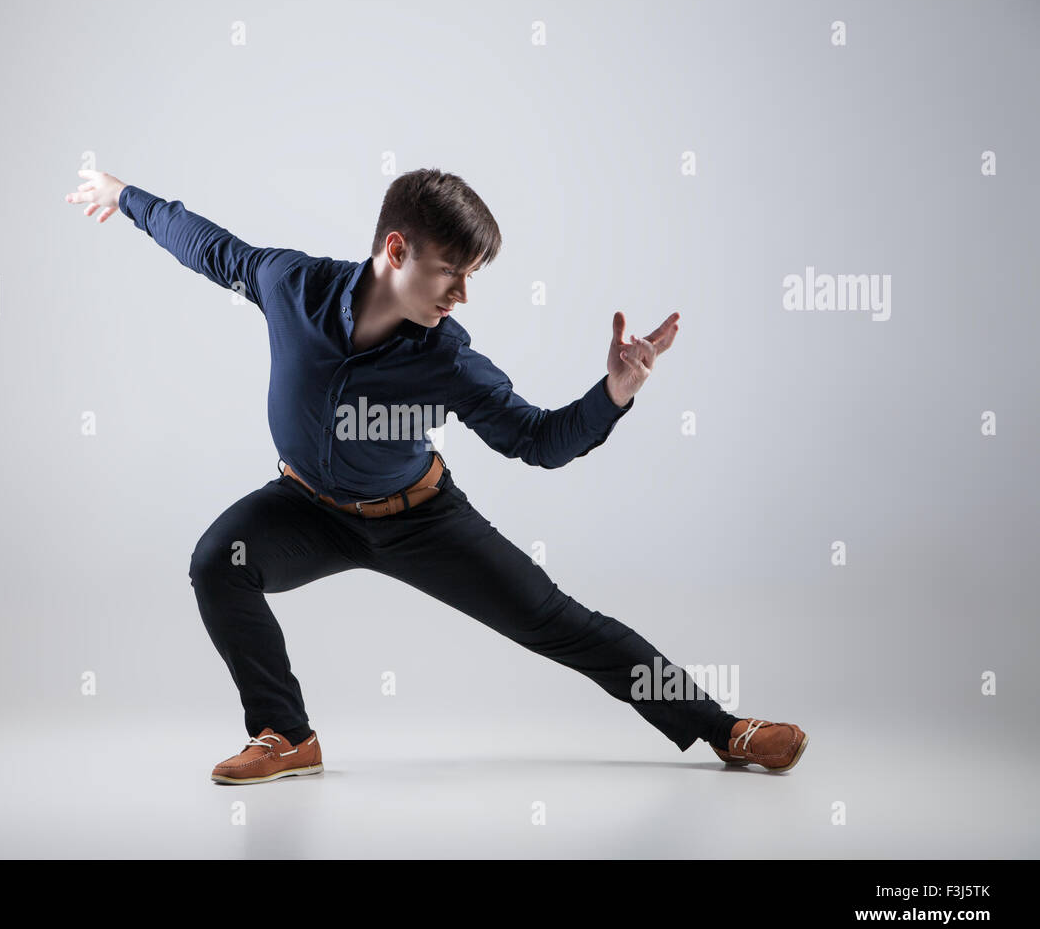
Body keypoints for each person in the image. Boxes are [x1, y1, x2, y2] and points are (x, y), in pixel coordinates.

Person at [64, 167, 808, 783]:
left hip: (420, 518)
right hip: (306, 508)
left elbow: (539, 441)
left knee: (559, 624)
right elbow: (208, 246)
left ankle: (725, 728)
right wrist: (124, 197)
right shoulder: (290, 285)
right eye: (451, 271)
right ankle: (284, 735)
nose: (460, 295)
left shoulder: (446, 358)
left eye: (471, 276)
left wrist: (613, 391)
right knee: (216, 563)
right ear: (396, 249)